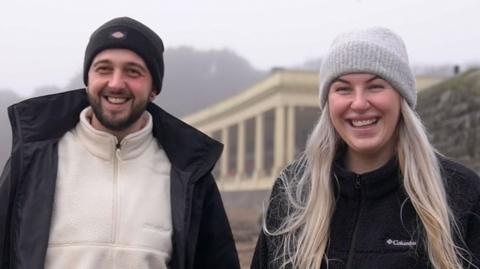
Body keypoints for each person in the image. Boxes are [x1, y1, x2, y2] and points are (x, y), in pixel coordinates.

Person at [0, 17, 240, 269]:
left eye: (133, 72)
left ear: (153, 89)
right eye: (103, 68)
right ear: (88, 79)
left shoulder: (189, 173)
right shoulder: (33, 161)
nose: (115, 83)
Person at [251, 27, 480, 269]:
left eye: (375, 86)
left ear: (401, 97)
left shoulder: (460, 193)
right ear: (328, 102)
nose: (359, 103)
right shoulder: (293, 192)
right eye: (343, 89)